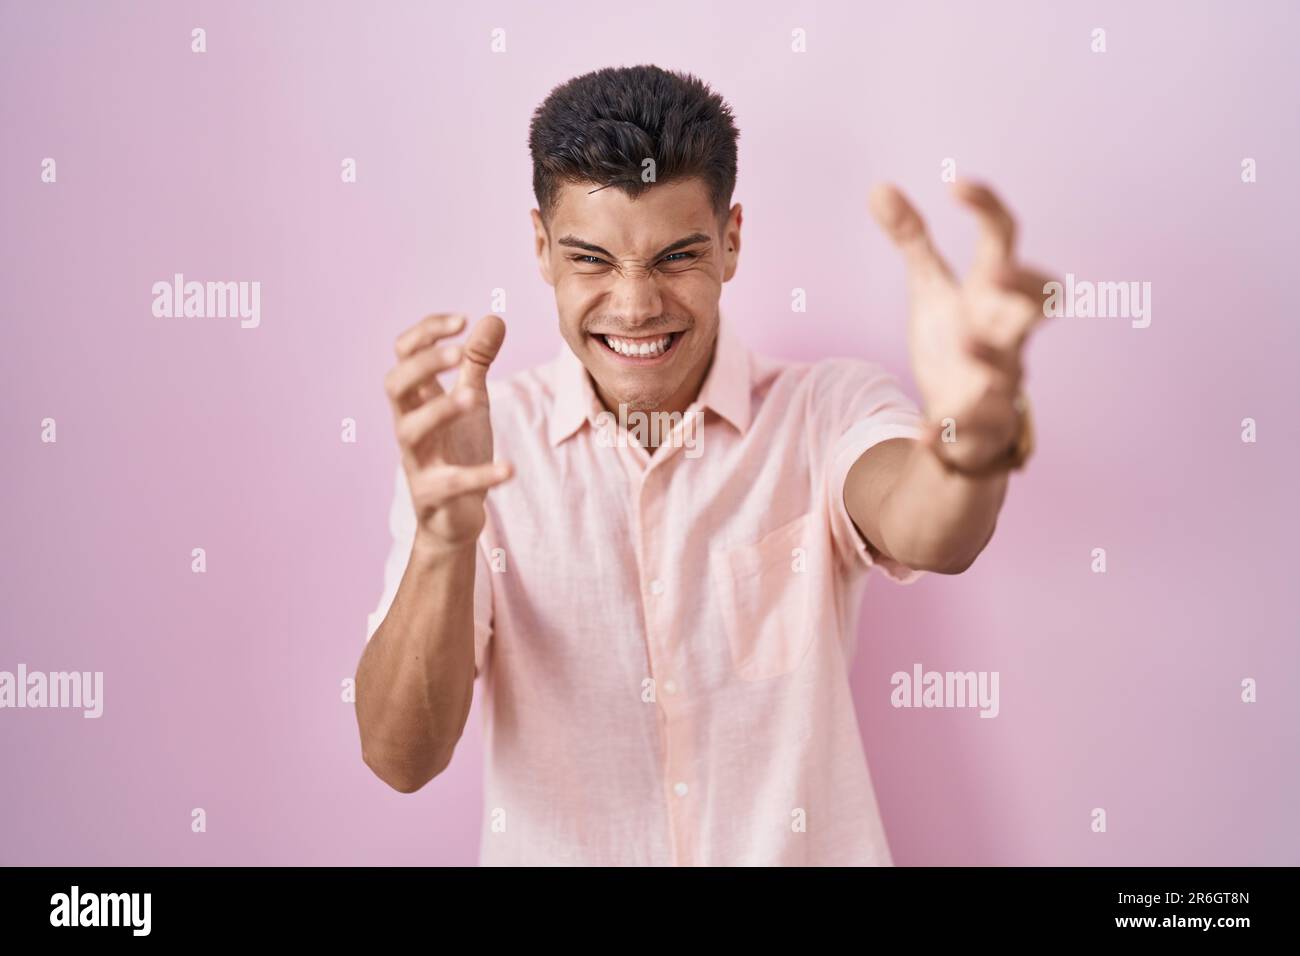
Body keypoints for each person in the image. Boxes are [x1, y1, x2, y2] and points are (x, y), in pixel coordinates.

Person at [355, 65, 1048, 865]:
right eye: (591, 260)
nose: (636, 305)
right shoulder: (473, 448)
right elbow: (399, 758)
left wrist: (970, 440)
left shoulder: (824, 412)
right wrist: (443, 543)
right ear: (541, 248)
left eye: (676, 256)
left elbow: (934, 531)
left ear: (732, 241)